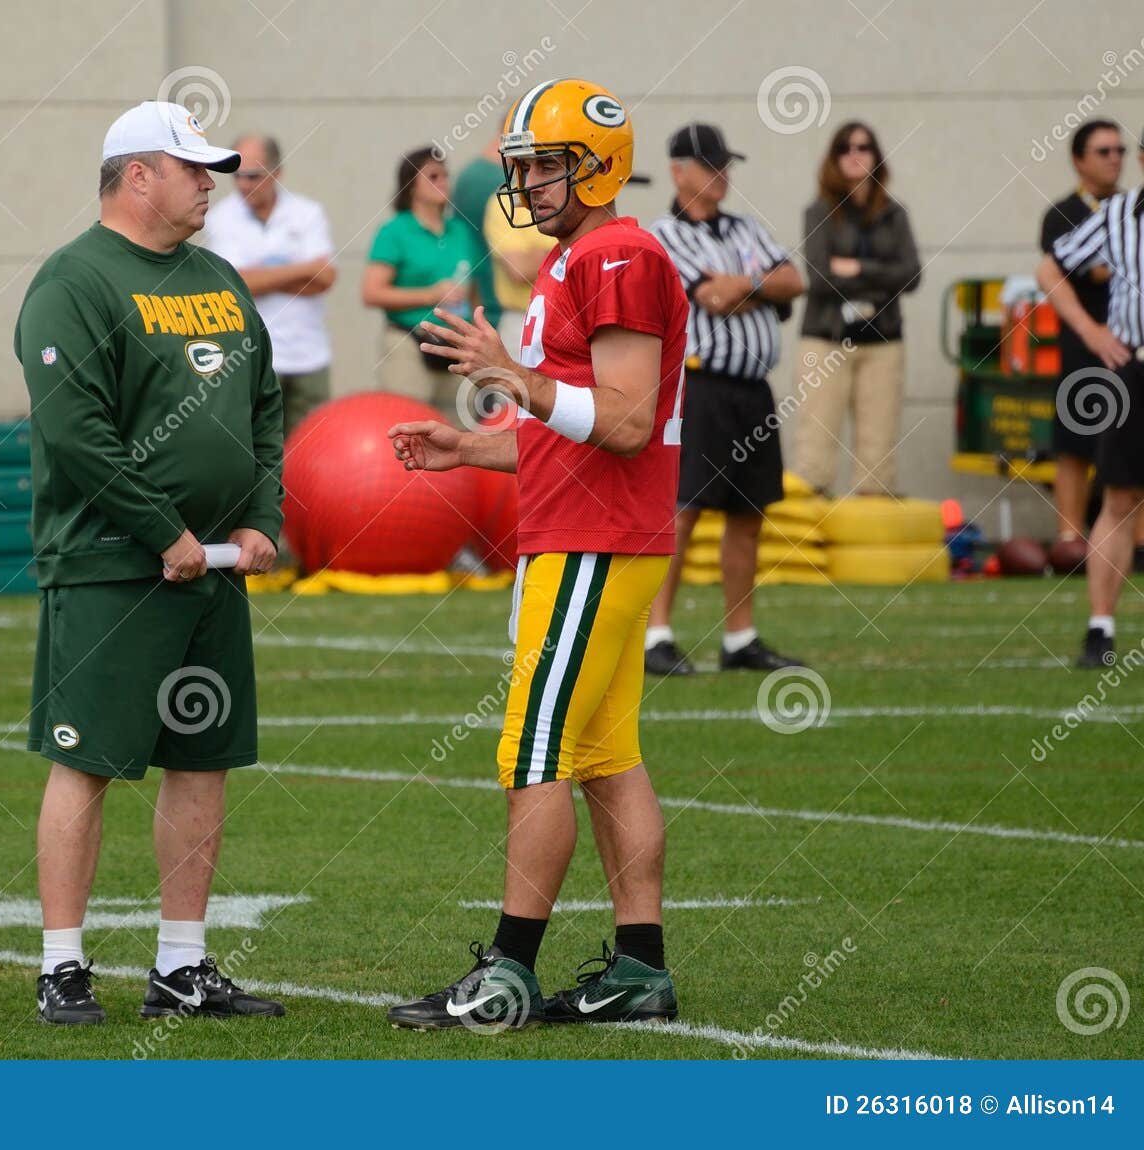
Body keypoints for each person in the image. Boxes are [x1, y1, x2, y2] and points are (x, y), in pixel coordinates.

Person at [384, 79, 688, 1030]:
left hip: (596, 543)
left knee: (535, 754)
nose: (530, 183)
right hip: (586, 534)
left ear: (597, 165)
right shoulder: (580, 259)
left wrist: (513, 378)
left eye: (546, 165)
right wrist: (472, 445)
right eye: (523, 167)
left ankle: (507, 973)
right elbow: (575, 427)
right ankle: (641, 971)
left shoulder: (620, 254)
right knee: (606, 757)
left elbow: (630, 422)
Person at [16, 100, 287, 1025]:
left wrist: (259, 517)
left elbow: (263, 405)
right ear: (138, 175)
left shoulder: (217, 275)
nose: (210, 183)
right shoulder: (74, 280)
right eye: (193, 169)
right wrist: (161, 532)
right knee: (86, 763)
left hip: (212, 571)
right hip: (110, 567)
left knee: (201, 760)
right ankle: (62, 966)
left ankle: (182, 967)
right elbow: (77, 433)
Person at [645, 124, 808, 677]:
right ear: (678, 171)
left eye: (724, 165)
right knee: (682, 510)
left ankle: (740, 638)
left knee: (748, 514)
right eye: (709, 165)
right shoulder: (664, 234)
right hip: (701, 385)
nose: (721, 175)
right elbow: (711, 298)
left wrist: (746, 286)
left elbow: (793, 281)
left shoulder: (745, 228)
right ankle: (656, 634)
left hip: (752, 388)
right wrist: (752, 286)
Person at [1036, 126, 1144, 669]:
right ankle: (1100, 629)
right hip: (1135, 365)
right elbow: (1051, 268)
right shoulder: (1120, 214)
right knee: (1121, 499)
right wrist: (1092, 331)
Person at [796, 121, 921, 496]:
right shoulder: (819, 211)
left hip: (882, 341)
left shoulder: (895, 214)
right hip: (826, 340)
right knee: (814, 451)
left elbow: (912, 275)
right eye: (845, 147)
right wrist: (884, 277)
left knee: (877, 454)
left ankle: (870, 537)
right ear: (833, 158)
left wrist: (857, 268)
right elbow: (819, 278)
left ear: (876, 157)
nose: (855, 154)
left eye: (864, 146)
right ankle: (809, 539)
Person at [201, 133, 335, 435]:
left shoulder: (307, 212)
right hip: (251, 358)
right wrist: (302, 270)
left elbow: (325, 277)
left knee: (312, 455)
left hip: (309, 355)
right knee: (259, 451)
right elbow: (234, 285)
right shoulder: (220, 216)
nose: (244, 185)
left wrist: (260, 276)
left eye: (253, 176)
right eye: (237, 177)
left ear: (277, 173)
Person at [361, 147, 483, 419]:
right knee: (410, 420)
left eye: (445, 176)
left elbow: (472, 289)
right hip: (409, 339)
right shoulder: (395, 230)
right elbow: (371, 293)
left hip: (454, 343)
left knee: (460, 424)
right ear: (411, 186)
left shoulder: (460, 230)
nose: (443, 183)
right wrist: (430, 295)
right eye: (432, 177)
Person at [483, 192, 555, 354]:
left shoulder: (576, 196)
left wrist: (539, 253)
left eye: (547, 167)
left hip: (573, 322)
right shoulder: (505, 201)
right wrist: (566, 251)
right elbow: (519, 270)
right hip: (521, 323)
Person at [450, 132, 506, 336]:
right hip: (499, 310)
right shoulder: (501, 181)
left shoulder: (469, 175)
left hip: (479, 309)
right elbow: (521, 267)